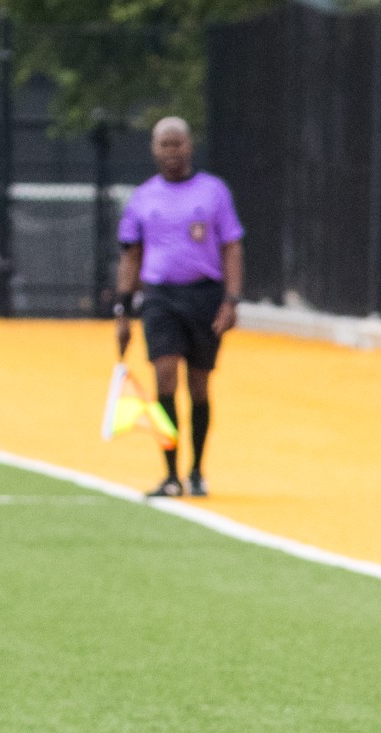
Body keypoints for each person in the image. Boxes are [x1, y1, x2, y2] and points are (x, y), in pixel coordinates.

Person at [114, 116, 243, 499]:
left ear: (189, 146)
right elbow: (131, 255)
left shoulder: (213, 192)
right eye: (163, 145)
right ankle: (170, 474)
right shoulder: (143, 197)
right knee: (164, 376)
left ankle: (197, 470)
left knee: (199, 384)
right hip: (160, 298)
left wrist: (231, 300)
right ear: (153, 149)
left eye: (177, 144)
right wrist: (123, 312)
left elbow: (231, 246)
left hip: (204, 295)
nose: (171, 152)